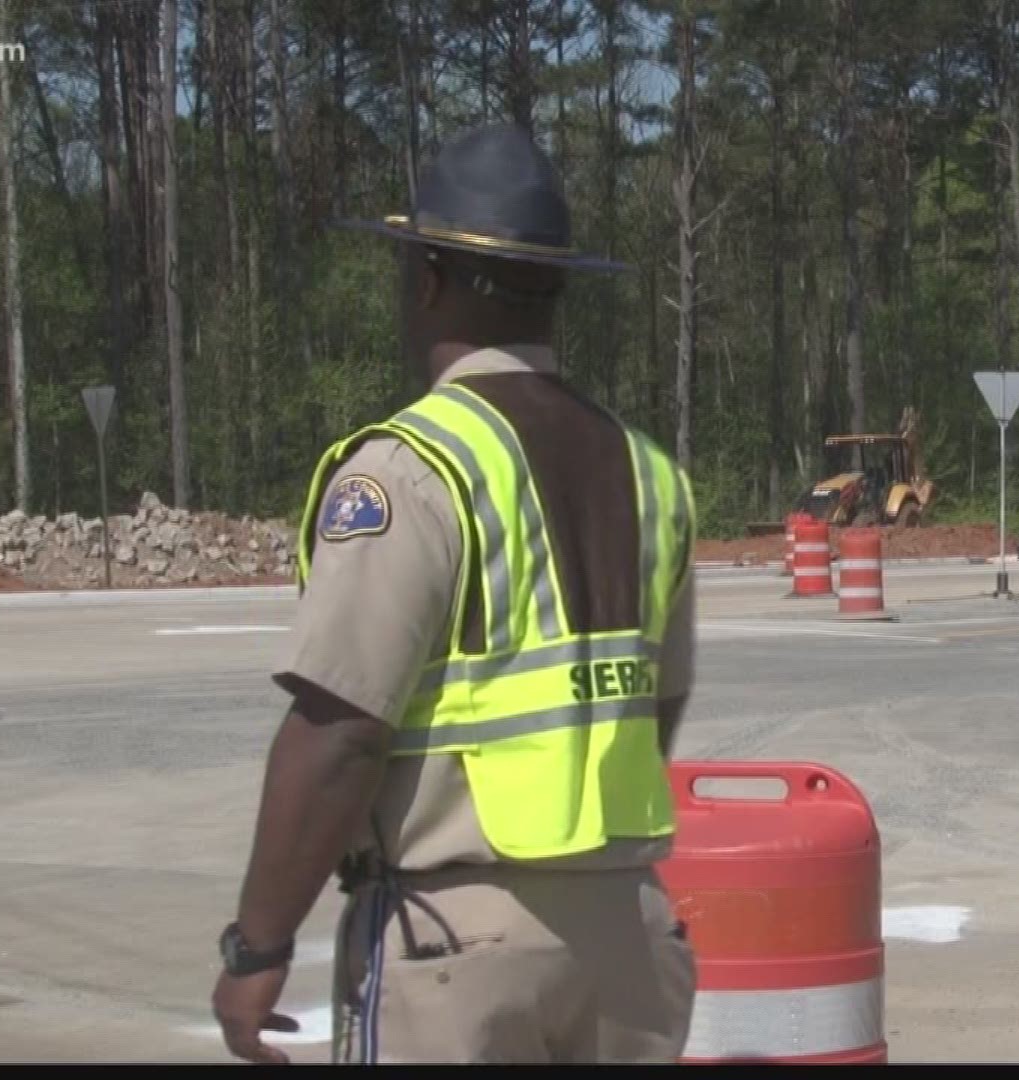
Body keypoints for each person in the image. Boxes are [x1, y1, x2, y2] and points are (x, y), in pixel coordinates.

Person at [210, 123, 699, 1065]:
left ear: (428, 281)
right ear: (554, 290)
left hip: (458, 945)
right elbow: (654, 707)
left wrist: (259, 944)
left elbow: (342, 730)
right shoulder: (649, 477)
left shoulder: (411, 471)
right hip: (627, 939)